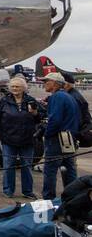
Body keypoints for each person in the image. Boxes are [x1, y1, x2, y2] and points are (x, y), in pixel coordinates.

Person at [0, 76, 40, 199]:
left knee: (26, 166)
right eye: (13, 87)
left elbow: (39, 118)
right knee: (8, 165)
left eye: (18, 87)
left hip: (26, 139)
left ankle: (27, 191)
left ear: (24, 88)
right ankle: (8, 190)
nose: (15, 89)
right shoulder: (3, 101)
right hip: (8, 139)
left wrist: (35, 113)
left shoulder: (31, 101)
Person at [41, 71, 80, 201]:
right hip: (69, 138)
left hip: (57, 139)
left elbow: (55, 120)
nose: (44, 84)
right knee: (70, 170)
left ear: (56, 84)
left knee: (50, 171)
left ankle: (48, 199)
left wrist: (46, 134)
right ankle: (72, 198)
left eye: (47, 81)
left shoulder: (56, 97)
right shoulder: (69, 96)